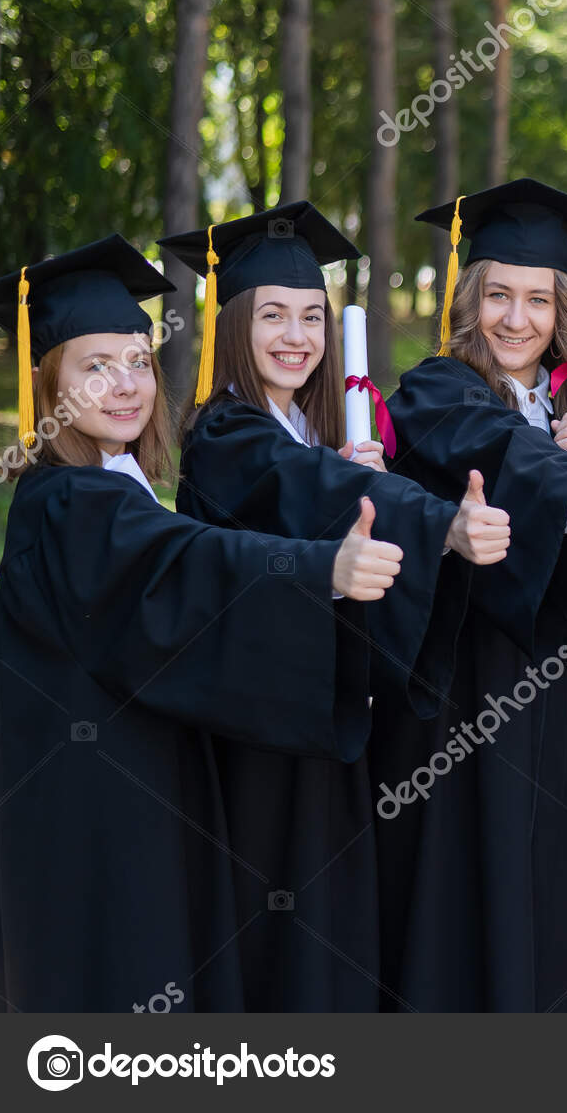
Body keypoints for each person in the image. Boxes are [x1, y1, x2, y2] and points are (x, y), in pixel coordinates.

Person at [0, 236, 398, 1011]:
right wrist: (319, 572)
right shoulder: (74, 500)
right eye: (95, 367)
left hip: (119, 805)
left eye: (139, 360)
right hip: (96, 826)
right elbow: (187, 561)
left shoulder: (112, 488)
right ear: (47, 389)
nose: (126, 384)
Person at [159, 202, 511, 1011]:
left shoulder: (307, 434)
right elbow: (305, 490)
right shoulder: (227, 435)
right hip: (259, 740)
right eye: (273, 315)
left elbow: (327, 488)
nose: (297, 335)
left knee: (331, 944)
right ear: (232, 327)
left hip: (319, 733)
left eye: (313, 316)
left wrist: (373, 481)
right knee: (283, 953)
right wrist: (435, 521)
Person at [380, 177, 567, 1011]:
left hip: (561, 710)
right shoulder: (435, 390)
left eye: (536, 299)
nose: (516, 320)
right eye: (498, 295)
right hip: (461, 704)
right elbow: (488, 444)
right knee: (458, 918)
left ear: (560, 307)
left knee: (548, 919)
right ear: (469, 299)